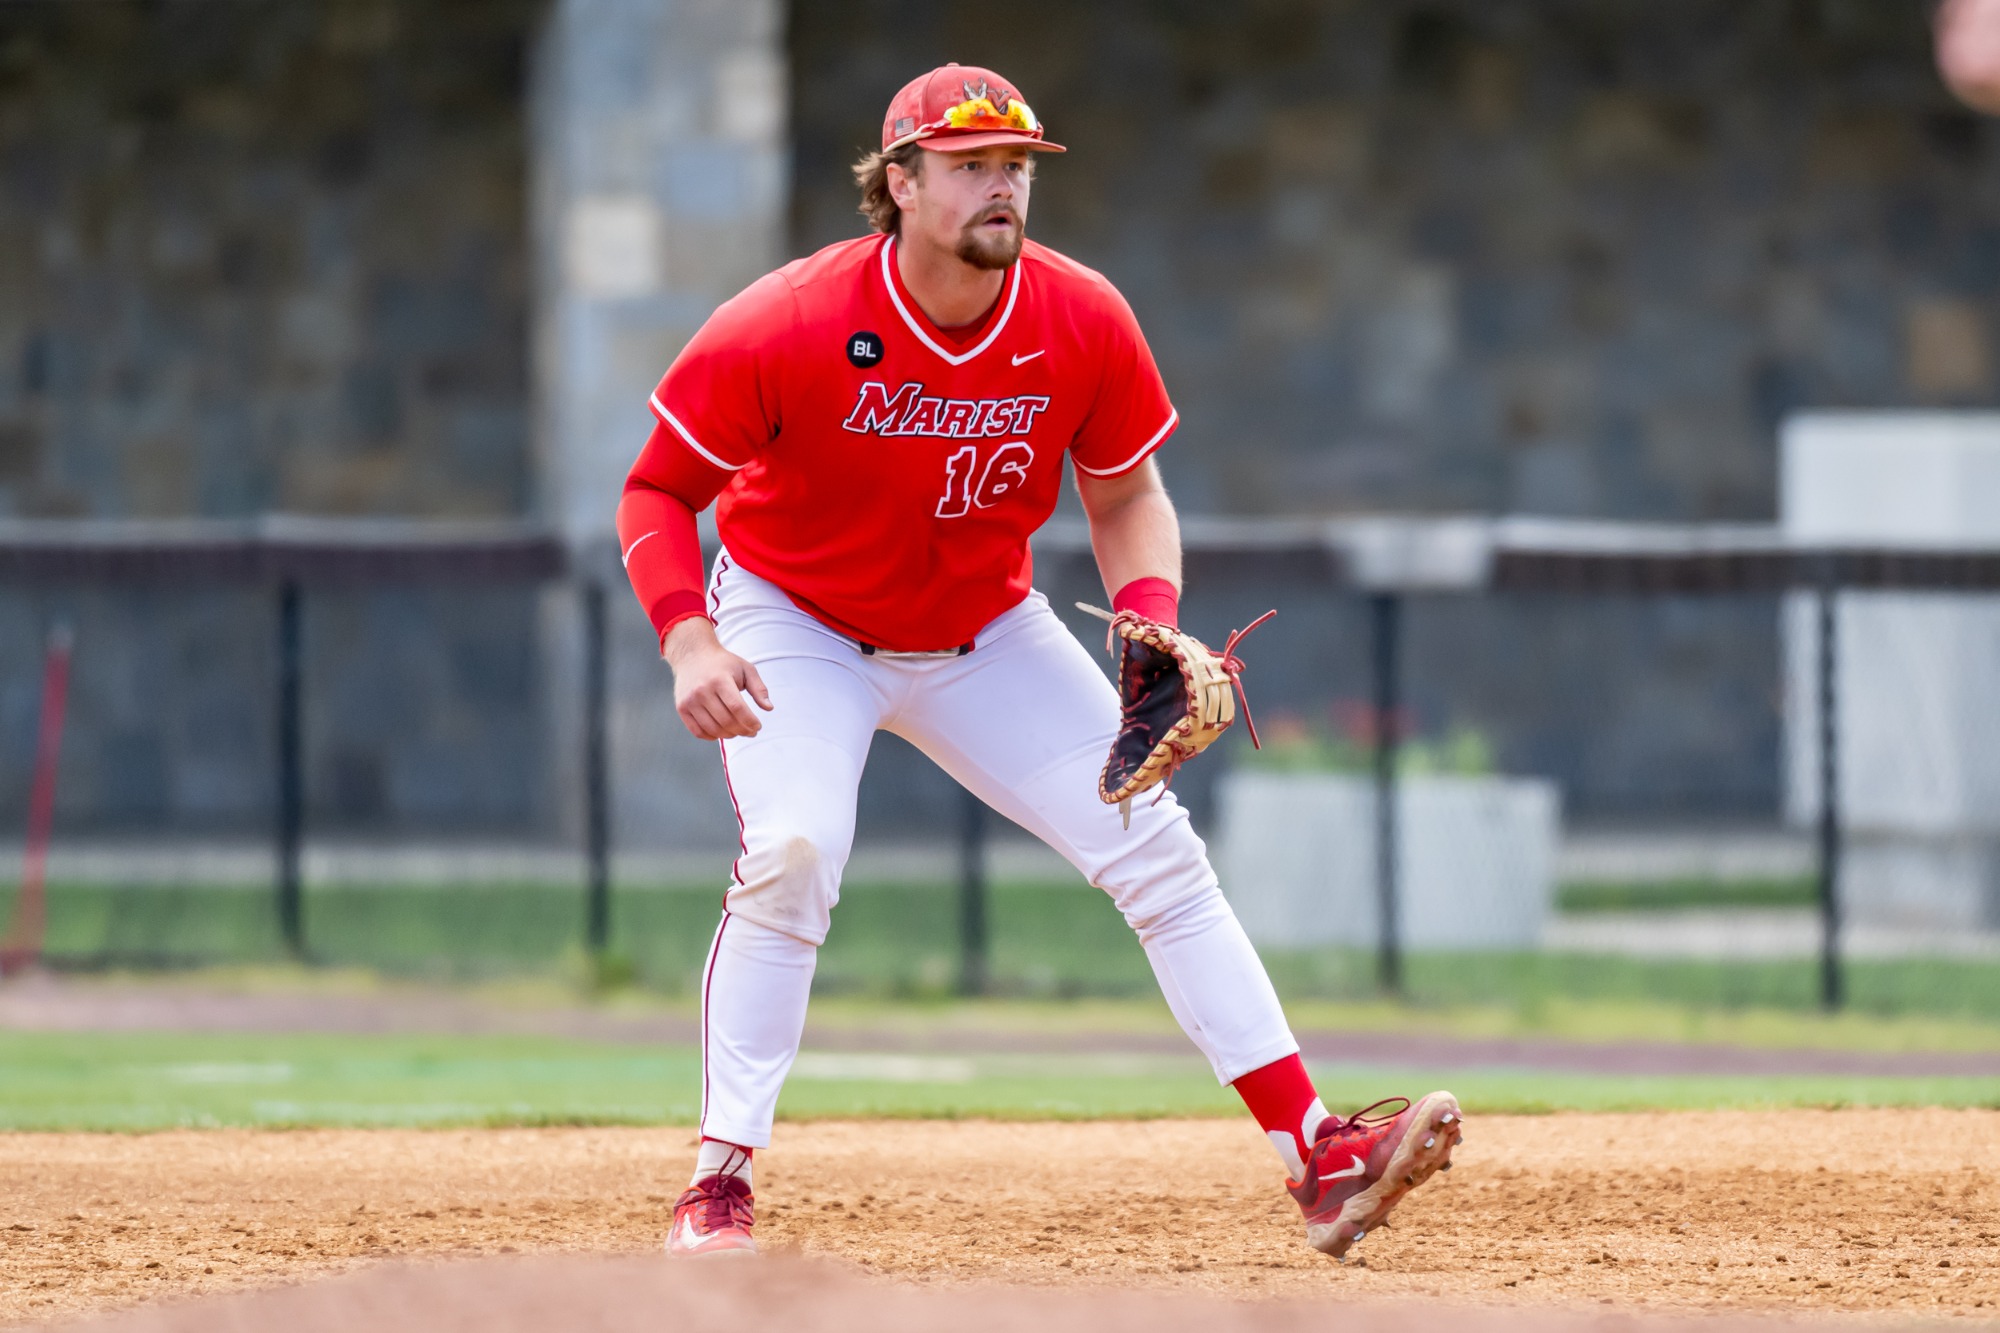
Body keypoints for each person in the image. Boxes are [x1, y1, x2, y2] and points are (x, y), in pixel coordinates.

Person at [616, 63, 1461, 1262]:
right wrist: (685, 632)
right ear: (898, 183)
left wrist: (1148, 618)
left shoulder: (1080, 316)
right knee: (795, 848)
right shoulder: (789, 321)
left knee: (1156, 849)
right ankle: (719, 1180)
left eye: (1013, 164)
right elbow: (656, 488)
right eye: (967, 164)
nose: (1000, 183)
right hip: (796, 621)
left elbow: (1126, 493)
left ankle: (1316, 1154)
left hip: (983, 631)